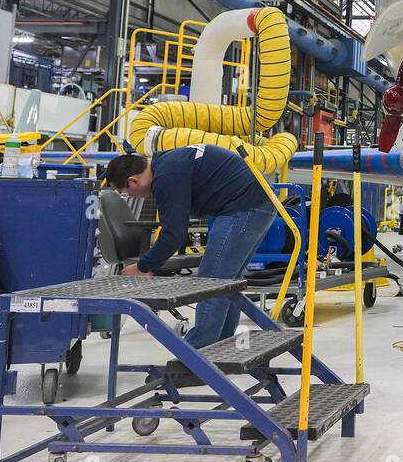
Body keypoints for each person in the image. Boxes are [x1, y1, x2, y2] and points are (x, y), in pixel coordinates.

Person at [104, 145, 276, 348]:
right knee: (226, 283)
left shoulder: (166, 177)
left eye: (127, 192)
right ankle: (223, 346)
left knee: (211, 283)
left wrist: (143, 266)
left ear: (134, 180)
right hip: (258, 203)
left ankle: (195, 357)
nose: (132, 197)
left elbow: (173, 235)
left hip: (244, 208)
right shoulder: (166, 162)